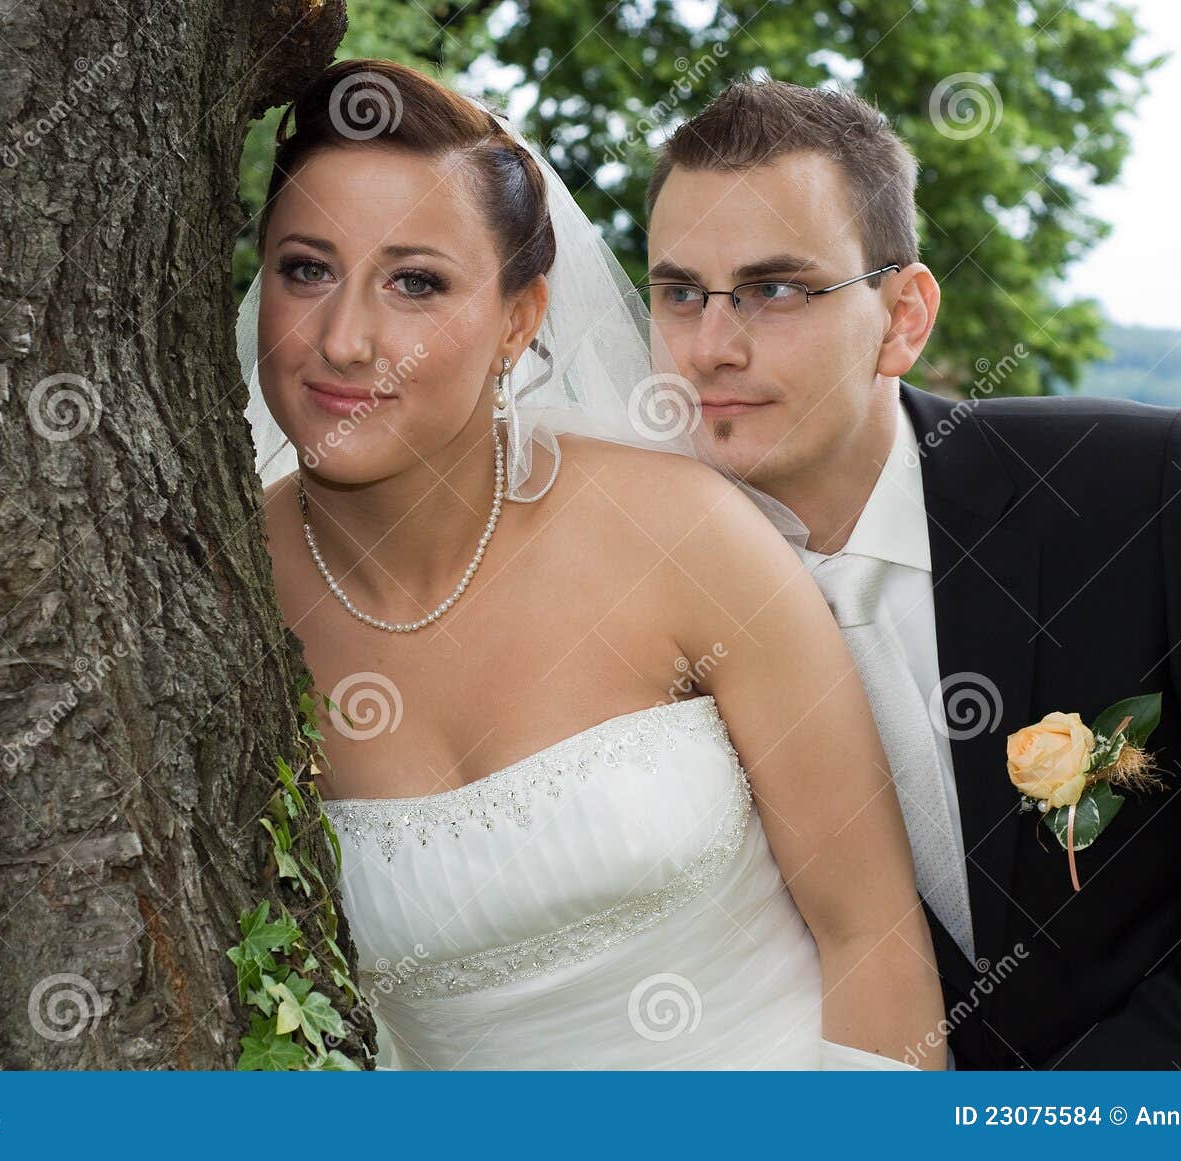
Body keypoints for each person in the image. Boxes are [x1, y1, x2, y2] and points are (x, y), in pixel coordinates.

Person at [238, 59, 943, 1069]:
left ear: (521, 320)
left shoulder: (684, 534)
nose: (345, 340)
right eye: (305, 270)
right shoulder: (227, 605)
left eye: (416, 282)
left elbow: (871, 941)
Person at [645, 77, 1181, 1068]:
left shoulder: (1135, 491)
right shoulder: (635, 588)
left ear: (903, 317)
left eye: (775, 289)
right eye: (678, 292)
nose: (709, 347)